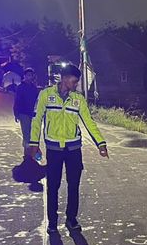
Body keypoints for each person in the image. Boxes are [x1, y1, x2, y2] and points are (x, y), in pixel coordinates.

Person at [29, 64, 108, 233]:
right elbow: (36, 120)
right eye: (74, 81)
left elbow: (89, 122)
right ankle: (52, 222)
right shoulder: (46, 95)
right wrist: (34, 144)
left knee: (73, 185)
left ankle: (71, 219)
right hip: (54, 149)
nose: (76, 84)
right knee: (53, 185)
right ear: (64, 78)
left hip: (73, 149)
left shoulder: (78, 99)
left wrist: (101, 143)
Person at [13, 68, 40, 158]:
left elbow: (38, 101)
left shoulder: (34, 88)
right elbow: (17, 101)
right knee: (26, 132)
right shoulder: (20, 87)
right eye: (27, 75)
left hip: (32, 113)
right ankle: (27, 151)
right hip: (23, 113)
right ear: (24, 76)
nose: (29, 77)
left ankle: (31, 150)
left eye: (30, 75)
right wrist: (16, 113)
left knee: (33, 132)